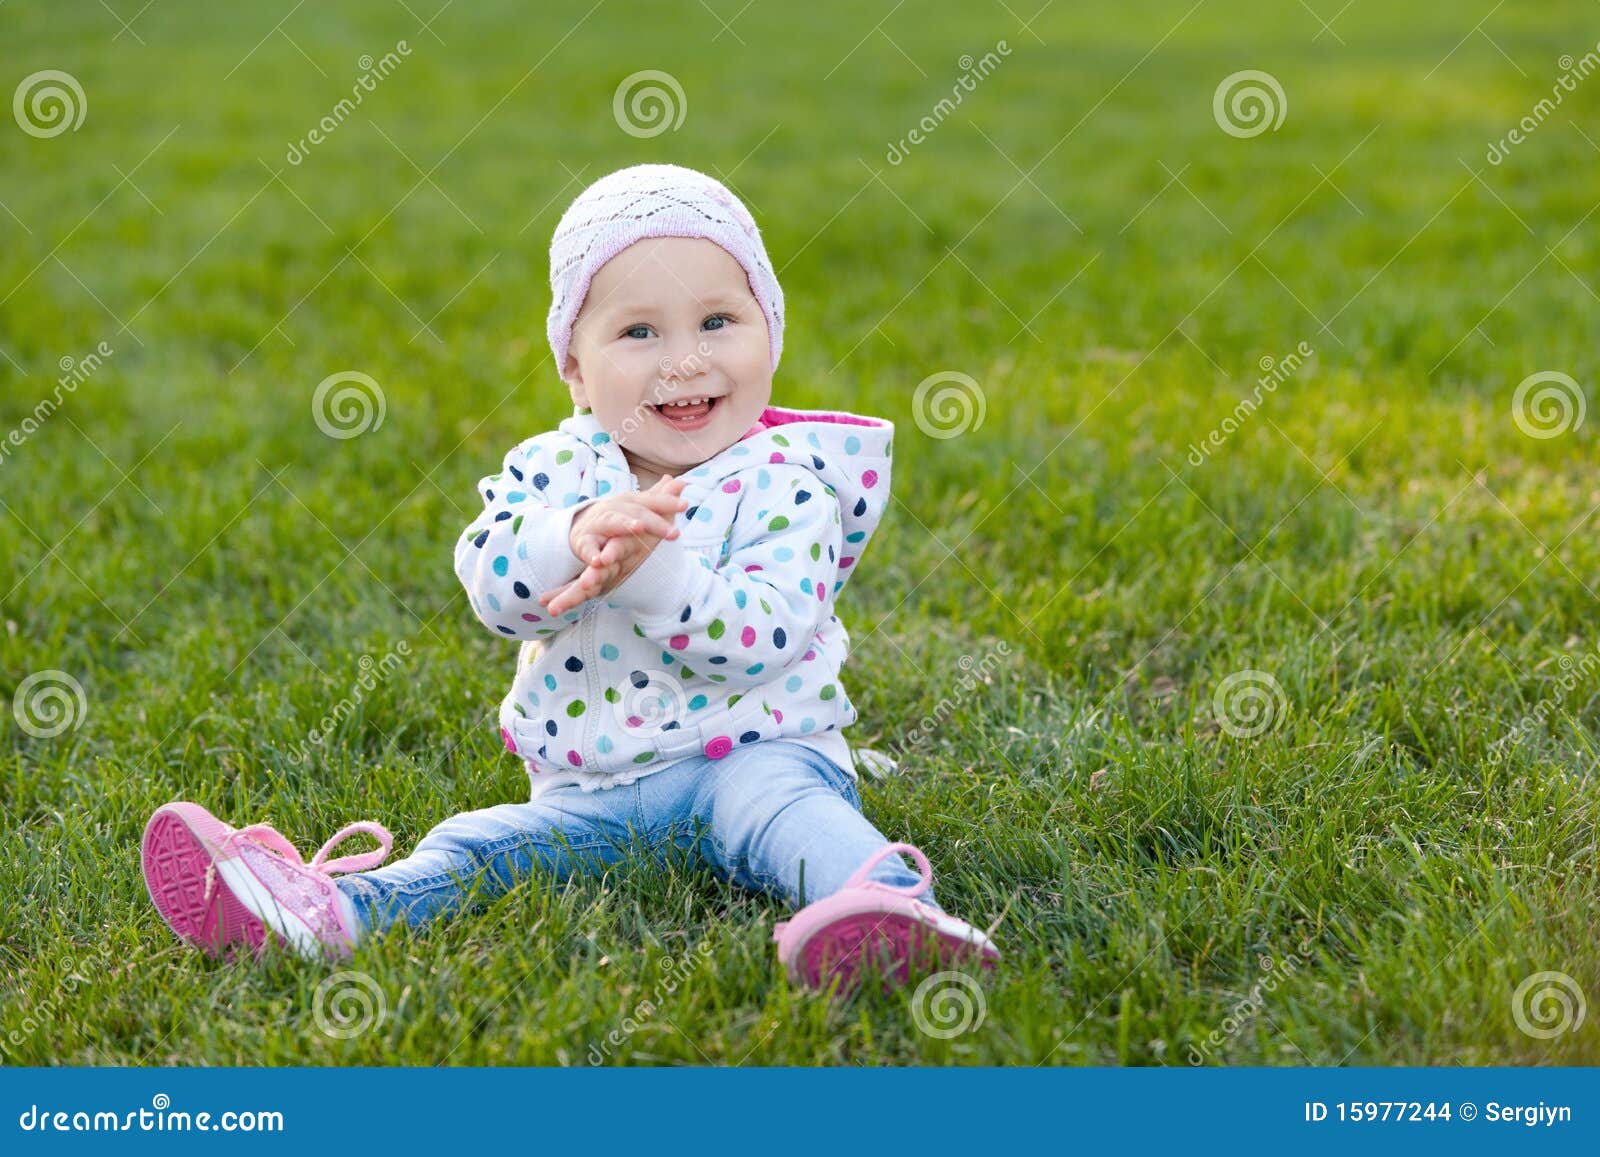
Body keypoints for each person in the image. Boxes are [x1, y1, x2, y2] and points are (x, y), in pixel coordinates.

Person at [141, 163, 999, 994]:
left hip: (757, 750)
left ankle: (885, 908)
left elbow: (765, 636)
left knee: (789, 811)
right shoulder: (557, 470)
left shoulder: (789, 478)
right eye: (638, 332)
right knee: (478, 842)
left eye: (718, 321)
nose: (684, 362)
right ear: (575, 371)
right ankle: (328, 910)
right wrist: (568, 542)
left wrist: (656, 574)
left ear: (770, 331)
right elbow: (492, 583)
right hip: (597, 790)